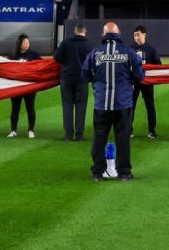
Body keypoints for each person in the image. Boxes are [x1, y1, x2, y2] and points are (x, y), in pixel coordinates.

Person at [80, 21, 144, 181]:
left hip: (102, 104)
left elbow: (84, 75)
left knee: (99, 138)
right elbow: (139, 77)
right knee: (123, 139)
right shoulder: (129, 53)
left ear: (103, 35)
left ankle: (98, 173)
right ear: (119, 35)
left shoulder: (95, 53)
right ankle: (124, 173)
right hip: (123, 104)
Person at [53, 23, 91, 141]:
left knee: (67, 106)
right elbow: (92, 63)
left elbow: (56, 57)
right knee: (81, 107)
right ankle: (79, 135)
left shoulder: (66, 42)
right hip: (82, 80)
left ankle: (68, 135)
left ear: (75, 31)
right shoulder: (88, 44)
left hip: (66, 78)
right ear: (85, 31)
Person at [130, 25, 161, 139]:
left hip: (147, 82)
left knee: (150, 106)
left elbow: (159, 66)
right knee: (131, 105)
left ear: (144, 35)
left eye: (138, 34)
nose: (136, 37)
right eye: (134, 35)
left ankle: (152, 131)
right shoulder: (130, 49)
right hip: (134, 82)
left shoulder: (151, 49)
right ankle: (129, 130)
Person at [8, 34, 41, 138]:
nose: (27, 45)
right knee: (15, 109)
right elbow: (6, 67)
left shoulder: (34, 55)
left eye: (28, 43)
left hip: (30, 87)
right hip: (16, 87)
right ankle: (13, 130)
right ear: (19, 44)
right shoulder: (13, 55)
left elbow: (44, 66)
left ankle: (31, 130)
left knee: (30, 108)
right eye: (25, 43)